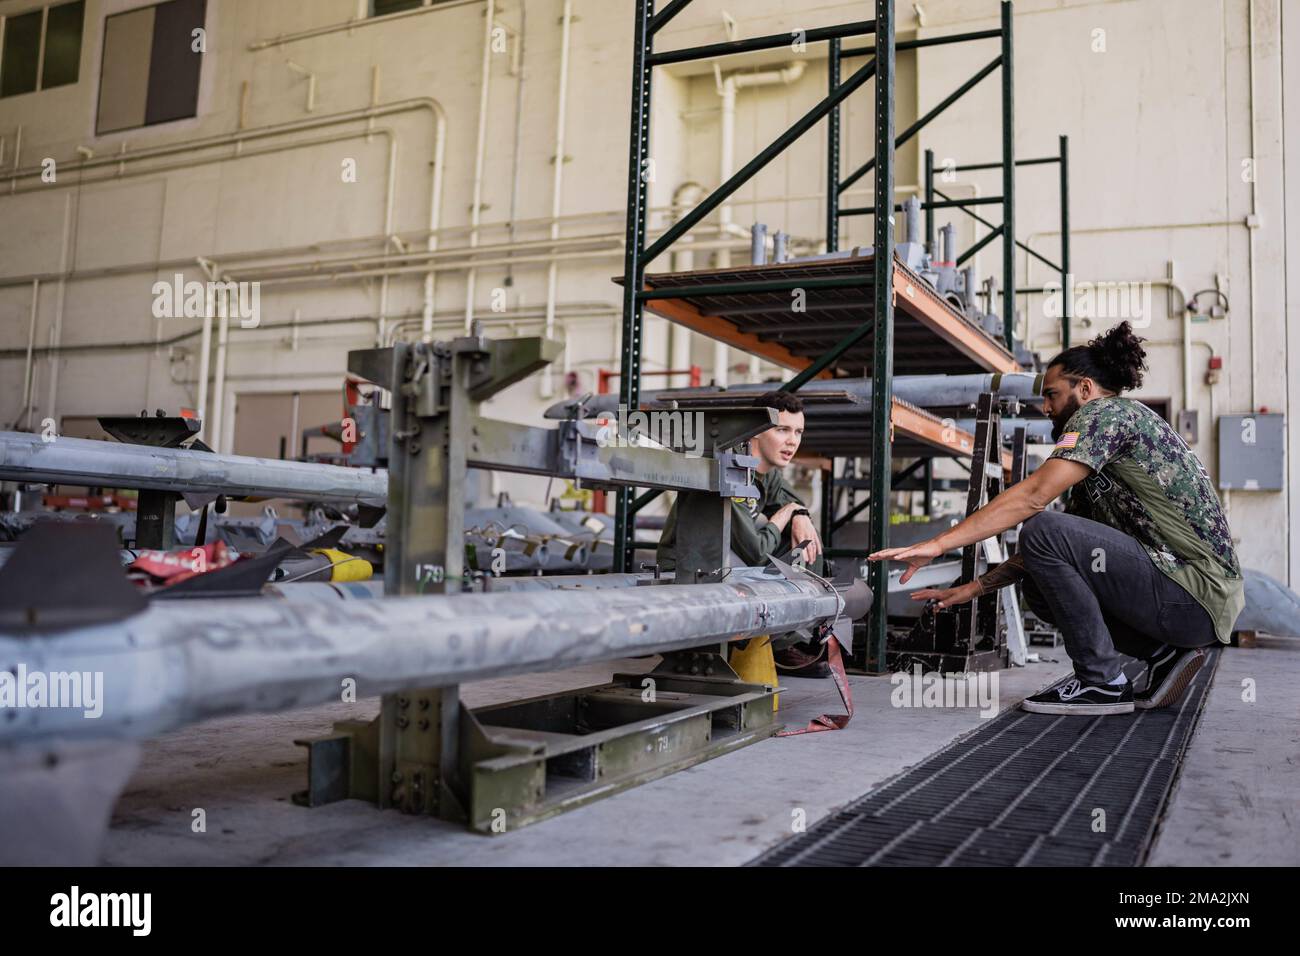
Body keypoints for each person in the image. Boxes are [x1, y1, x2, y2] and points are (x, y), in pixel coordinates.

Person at [868, 321, 1244, 715]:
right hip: (1190, 602)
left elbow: (1033, 499)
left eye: (1052, 395)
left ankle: (1101, 682)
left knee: (1042, 528)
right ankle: (1163, 654)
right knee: (1038, 577)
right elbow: (1051, 552)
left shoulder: (1105, 415)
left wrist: (936, 544)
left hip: (1194, 593)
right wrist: (975, 588)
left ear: (1085, 389)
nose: (1045, 408)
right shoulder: (1099, 457)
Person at [657, 390, 830, 676]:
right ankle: (768, 640)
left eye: (798, 431)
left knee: (805, 536)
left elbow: (791, 503)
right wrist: (787, 513)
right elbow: (758, 553)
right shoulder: (730, 468)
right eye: (782, 429)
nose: (792, 441)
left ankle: (786, 642)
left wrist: (798, 514)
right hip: (686, 572)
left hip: (725, 564)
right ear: (757, 432)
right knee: (774, 527)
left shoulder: (768, 474)